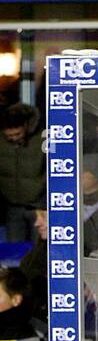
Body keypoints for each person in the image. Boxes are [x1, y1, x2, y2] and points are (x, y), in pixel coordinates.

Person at [0, 103, 44, 244]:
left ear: (26, 126)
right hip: (12, 207)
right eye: (9, 136)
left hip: (39, 206)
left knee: (38, 252)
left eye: (17, 134)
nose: (13, 139)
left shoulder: (43, 137)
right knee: (14, 252)